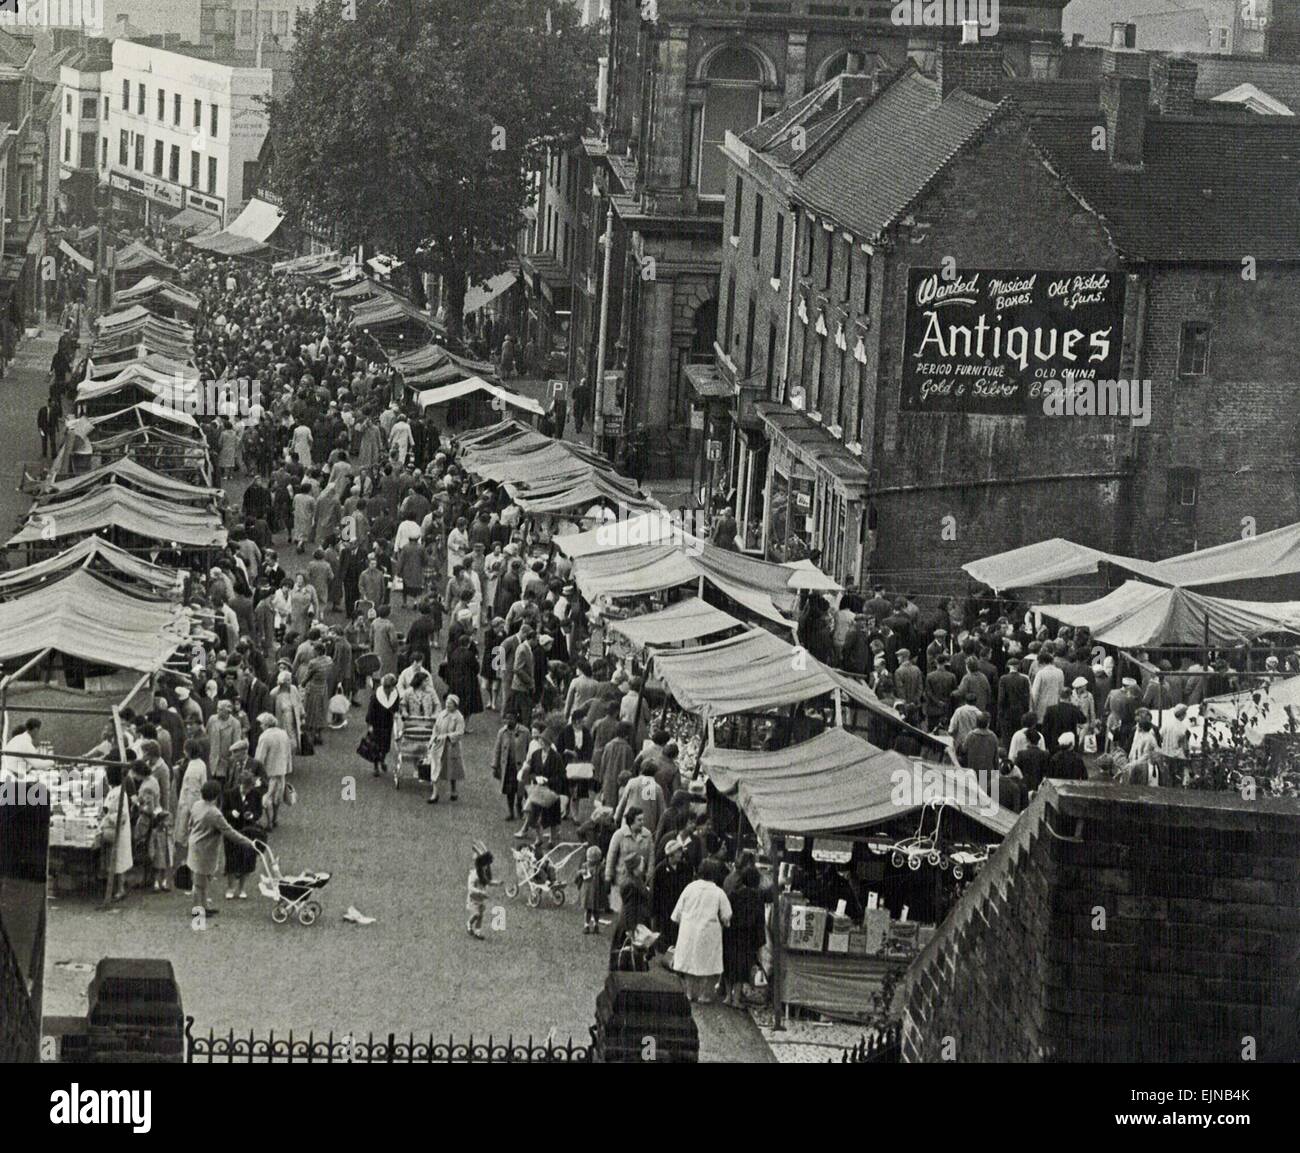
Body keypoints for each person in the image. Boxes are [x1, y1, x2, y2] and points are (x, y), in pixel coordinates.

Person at [187, 779, 258, 918]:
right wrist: (249, 843)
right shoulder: (214, 813)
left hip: (196, 845)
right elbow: (229, 831)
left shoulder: (197, 805)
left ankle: (203, 907)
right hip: (205, 851)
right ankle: (197, 910)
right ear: (216, 795)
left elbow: (190, 823)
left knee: (202, 880)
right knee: (200, 882)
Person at [671, 858, 733, 1004]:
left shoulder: (689, 888)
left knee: (689, 963)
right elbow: (727, 915)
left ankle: (689, 992)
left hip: (689, 930)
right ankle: (704, 995)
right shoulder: (719, 892)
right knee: (709, 965)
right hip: (709, 932)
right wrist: (725, 923)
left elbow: (677, 913)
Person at [722, 865, 767, 1007]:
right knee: (742, 968)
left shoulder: (733, 894)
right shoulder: (757, 897)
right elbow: (760, 921)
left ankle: (728, 997)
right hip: (747, 938)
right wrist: (760, 942)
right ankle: (736, 999)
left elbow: (726, 913)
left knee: (729, 965)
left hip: (731, 934)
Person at [222, 770, 263, 900]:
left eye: (250, 788)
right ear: (241, 784)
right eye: (246, 787)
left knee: (247, 859)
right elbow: (223, 812)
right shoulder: (230, 794)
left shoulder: (256, 795)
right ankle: (230, 887)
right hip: (233, 831)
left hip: (249, 831)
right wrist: (231, 814)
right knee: (231, 859)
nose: (248, 790)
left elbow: (259, 811)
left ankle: (242, 888)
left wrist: (253, 815)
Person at [396, 668, 438, 791]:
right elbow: (403, 705)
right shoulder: (408, 692)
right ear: (420, 681)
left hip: (427, 722)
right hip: (413, 722)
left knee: (426, 746)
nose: (427, 683)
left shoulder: (431, 692)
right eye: (425, 681)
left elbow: (437, 705)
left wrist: (435, 714)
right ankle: (417, 768)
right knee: (415, 745)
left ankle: (423, 769)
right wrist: (404, 712)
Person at [254, 713, 293, 829]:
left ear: (266, 724)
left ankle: (269, 822)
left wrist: (256, 771)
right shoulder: (283, 733)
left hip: (268, 771)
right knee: (278, 796)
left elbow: (260, 757)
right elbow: (288, 752)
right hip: (281, 770)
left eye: (261, 724)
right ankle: (275, 818)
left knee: (267, 797)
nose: (260, 726)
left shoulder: (265, 737)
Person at [364, 673, 400, 776]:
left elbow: (396, 707)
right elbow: (371, 711)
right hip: (377, 723)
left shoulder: (395, 694)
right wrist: (370, 725)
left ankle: (382, 759)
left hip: (388, 723)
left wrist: (396, 713)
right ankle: (376, 767)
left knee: (385, 745)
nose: (391, 690)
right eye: (389, 688)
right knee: (375, 745)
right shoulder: (376, 696)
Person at [466, 840, 499, 940]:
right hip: (473, 899)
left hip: (480, 899)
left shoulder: (483, 874)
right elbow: (470, 888)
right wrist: (481, 892)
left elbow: (488, 882)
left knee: (480, 916)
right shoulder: (473, 875)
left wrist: (497, 883)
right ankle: (468, 924)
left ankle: (478, 932)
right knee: (476, 914)